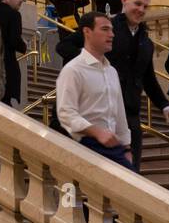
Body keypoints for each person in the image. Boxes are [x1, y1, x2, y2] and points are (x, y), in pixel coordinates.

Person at [57, 0, 169, 163]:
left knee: (131, 175)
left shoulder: (146, 42)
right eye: (137, 4)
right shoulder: (104, 27)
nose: (141, 10)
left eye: (145, 6)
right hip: (95, 117)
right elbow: (64, 46)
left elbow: (148, 77)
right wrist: (91, 65)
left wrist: (165, 105)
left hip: (129, 117)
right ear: (124, 0)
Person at [55, 12, 134, 171]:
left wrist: (126, 147)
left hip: (113, 146)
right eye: (105, 29)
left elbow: (119, 112)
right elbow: (66, 113)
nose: (111, 34)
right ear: (87, 32)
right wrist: (97, 132)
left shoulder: (111, 71)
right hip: (86, 144)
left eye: (111, 30)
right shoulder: (73, 70)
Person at [0, 0, 27, 106]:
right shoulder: (14, 14)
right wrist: (23, 46)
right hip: (6, 67)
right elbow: (14, 40)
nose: (20, 0)